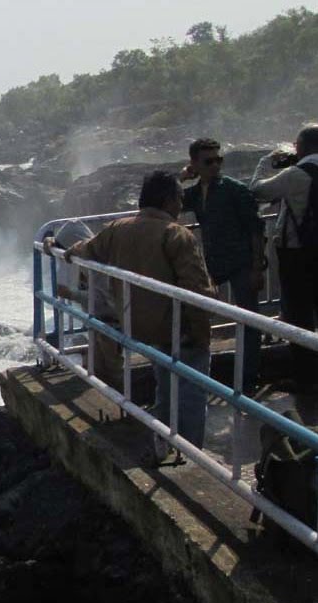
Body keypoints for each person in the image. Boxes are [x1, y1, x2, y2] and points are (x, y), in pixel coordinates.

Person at [54, 171, 217, 458]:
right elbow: (197, 292)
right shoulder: (176, 234)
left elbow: (86, 249)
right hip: (179, 329)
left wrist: (63, 251)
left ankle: (163, 443)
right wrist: (205, 328)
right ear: (168, 200)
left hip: (139, 327)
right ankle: (192, 457)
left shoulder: (118, 228)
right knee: (191, 394)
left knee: (165, 390)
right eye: (180, 198)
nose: (181, 205)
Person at [249, 123, 318, 391]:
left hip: (297, 257)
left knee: (300, 319)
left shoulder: (296, 174)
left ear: (303, 145)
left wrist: (266, 161)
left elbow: (258, 190)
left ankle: (308, 380)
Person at [180, 137, 267, 389]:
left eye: (219, 160)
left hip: (241, 263)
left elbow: (256, 229)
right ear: (194, 164)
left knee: (249, 321)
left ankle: (249, 378)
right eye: (208, 161)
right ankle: (198, 373)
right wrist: (181, 176)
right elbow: (165, 201)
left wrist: (257, 267)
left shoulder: (234, 189)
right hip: (213, 263)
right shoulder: (195, 193)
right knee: (193, 313)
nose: (216, 165)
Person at [53, 219, 124, 390]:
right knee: (98, 364)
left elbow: (108, 300)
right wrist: (50, 243)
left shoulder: (98, 265)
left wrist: (73, 295)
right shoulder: (84, 256)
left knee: (111, 367)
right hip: (98, 320)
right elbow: (59, 248)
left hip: (110, 321)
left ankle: (119, 399)